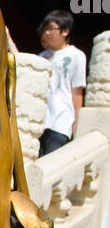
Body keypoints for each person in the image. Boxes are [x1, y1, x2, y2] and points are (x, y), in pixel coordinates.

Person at [37, 10, 87, 157]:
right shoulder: (42, 57)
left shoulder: (77, 56)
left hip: (61, 122)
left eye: (51, 29)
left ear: (65, 31)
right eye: (45, 29)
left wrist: (77, 123)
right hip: (40, 121)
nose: (46, 33)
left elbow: (77, 92)